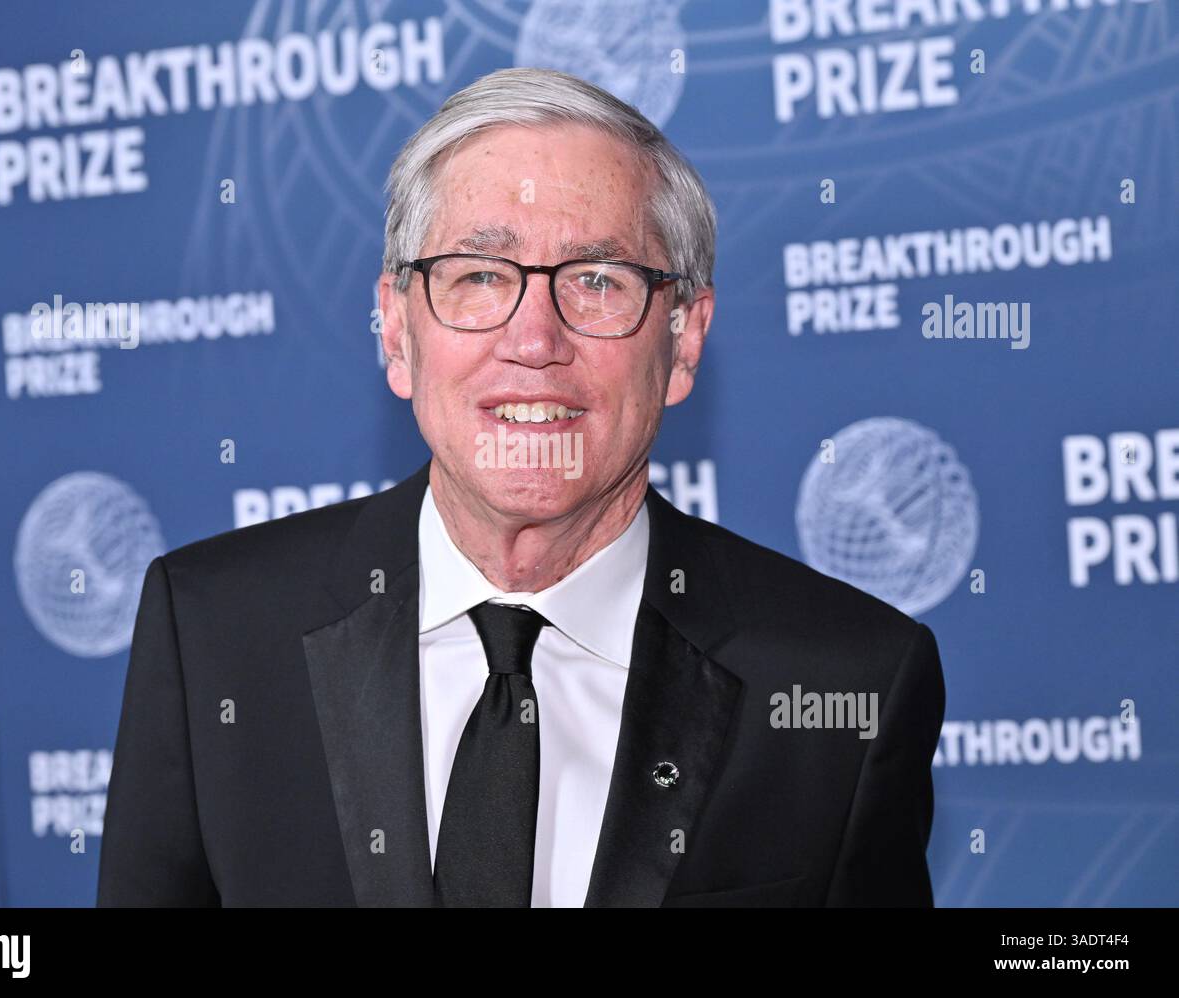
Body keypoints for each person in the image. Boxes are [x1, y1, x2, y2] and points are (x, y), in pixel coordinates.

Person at [97, 67, 945, 908]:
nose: (534, 338)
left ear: (683, 340)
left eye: (598, 281)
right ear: (397, 331)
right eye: (479, 276)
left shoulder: (849, 683)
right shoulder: (212, 634)